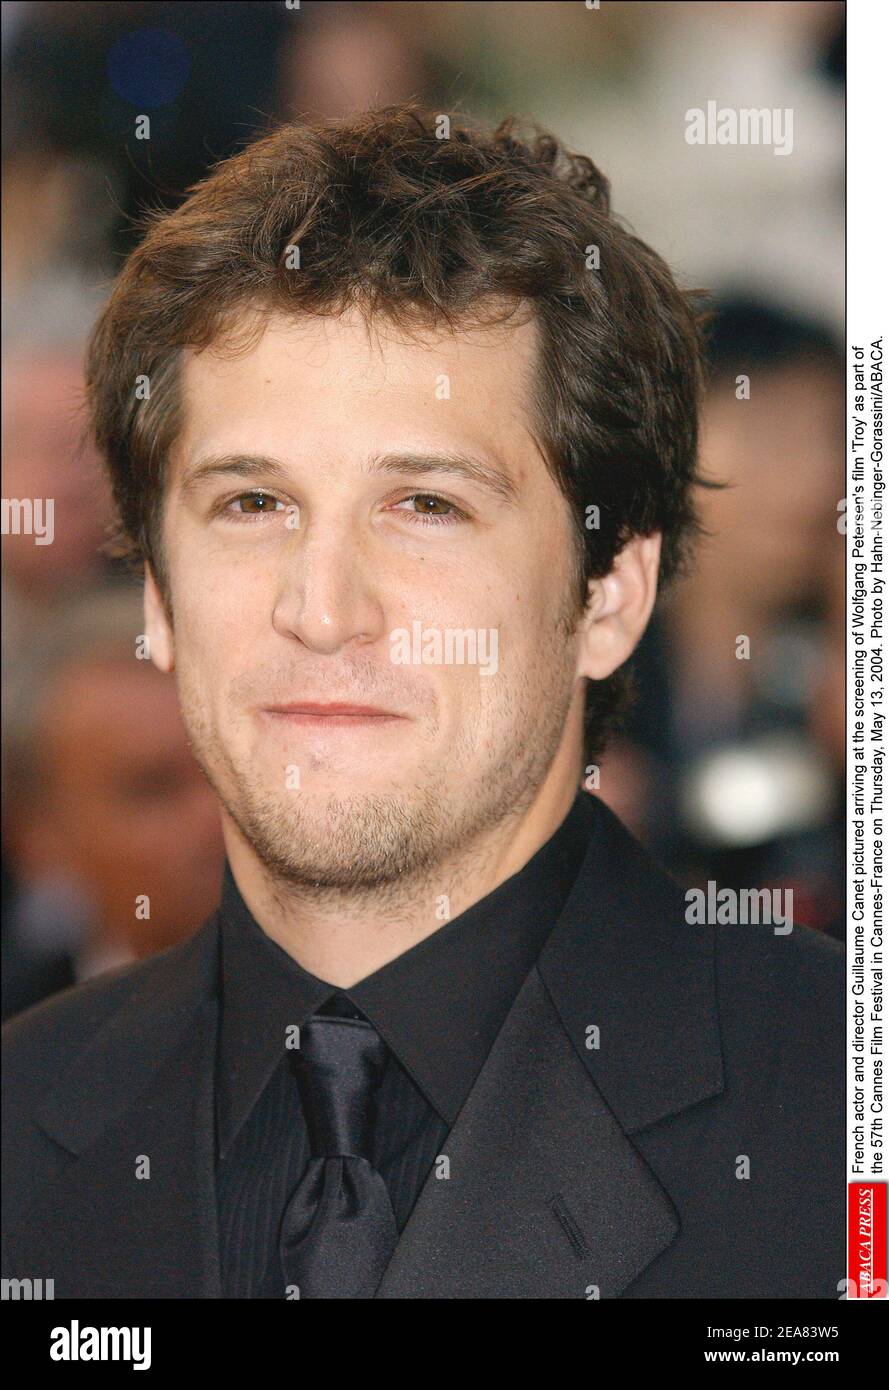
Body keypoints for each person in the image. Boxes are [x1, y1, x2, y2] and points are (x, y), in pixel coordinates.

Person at [1, 103, 843, 1300]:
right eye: (252, 504)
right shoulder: (21, 1136)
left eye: (426, 505)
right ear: (156, 597)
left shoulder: (840, 1121)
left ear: (608, 590)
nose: (323, 606)